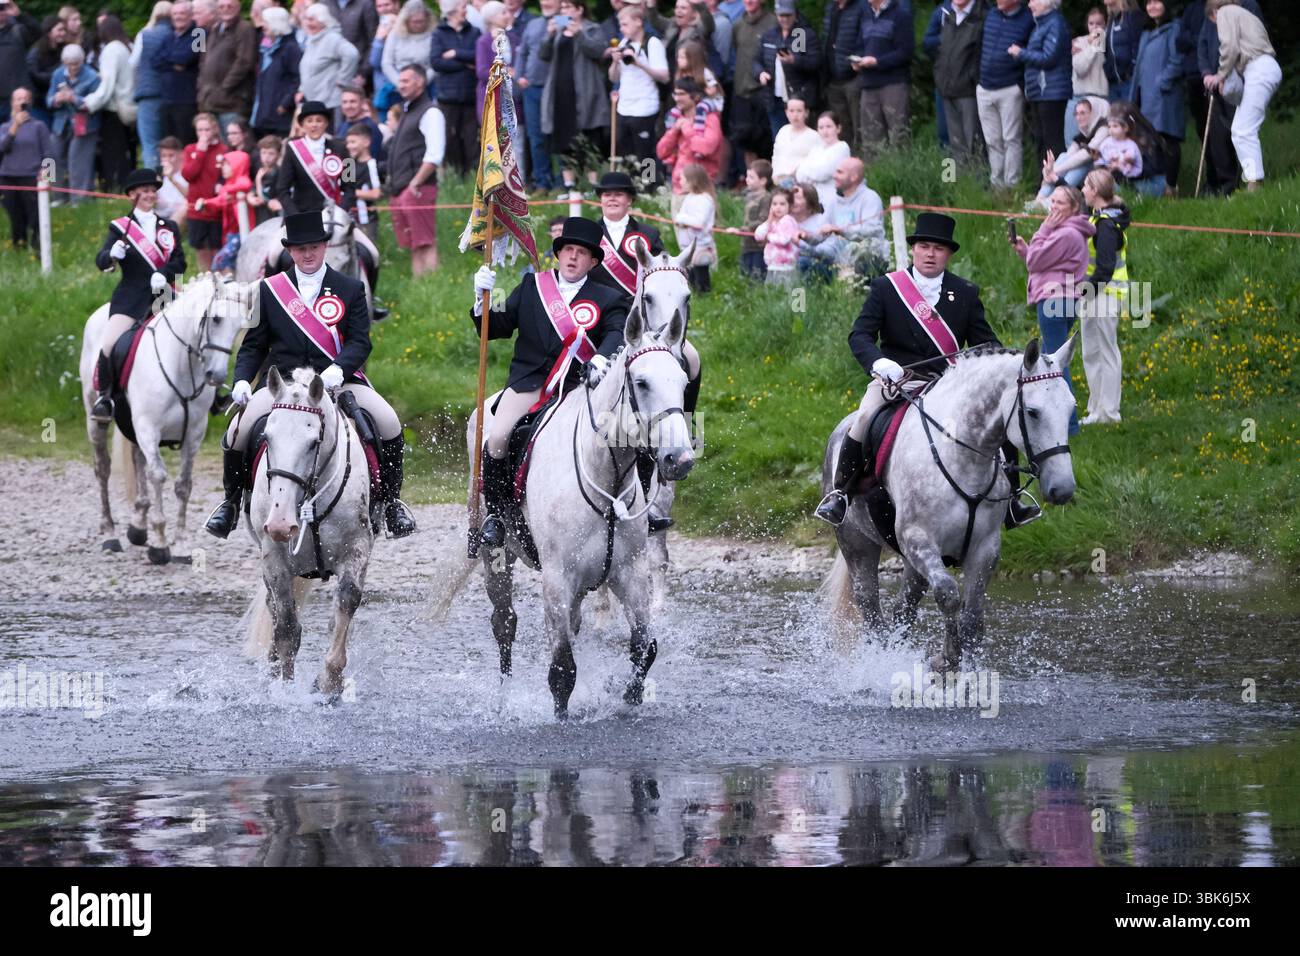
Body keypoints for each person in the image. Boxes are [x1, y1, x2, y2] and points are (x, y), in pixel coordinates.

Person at [816, 213, 1039, 528]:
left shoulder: (965, 292)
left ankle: (1014, 500)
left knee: (997, 416)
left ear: (948, 254)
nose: (930, 254)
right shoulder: (887, 287)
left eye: (938, 248)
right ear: (914, 250)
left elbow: (985, 343)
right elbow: (860, 335)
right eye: (924, 246)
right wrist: (881, 364)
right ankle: (840, 493)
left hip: (948, 385)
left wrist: (1007, 362)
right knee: (865, 416)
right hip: (897, 382)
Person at [205, 210, 418, 540]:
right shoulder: (269, 290)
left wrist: (339, 369)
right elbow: (252, 346)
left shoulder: (350, 288)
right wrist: (243, 380)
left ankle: (392, 504)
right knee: (238, 430)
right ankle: (230, 503)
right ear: (290, 251)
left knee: (388, 422)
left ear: (325, 247)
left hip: (337, 380)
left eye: (314, 248)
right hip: (283, 386)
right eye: (300, 249)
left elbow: (361, 341)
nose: (308, 255)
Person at [467, 216, 628, 548]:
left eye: (581, 253)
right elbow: (496, 327)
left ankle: (634, 507)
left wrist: (601, 357)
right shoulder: (532, 286)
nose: (572, 257)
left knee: (626, 435)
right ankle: (498, 514)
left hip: (579, 388)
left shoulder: (609, 298)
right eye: (567, 250)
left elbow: (617, 333)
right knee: (497, 436)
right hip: (530, 383)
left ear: (593, 261)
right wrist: (482, 298)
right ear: (558, 253)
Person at [89, 168, 187, 423]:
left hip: (164, 294)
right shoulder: (120, 228)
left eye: (153, 191)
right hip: (131, 297)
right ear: (132, 195)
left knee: (192, 337)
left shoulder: (170, 227)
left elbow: (180, 262)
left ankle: (203, 395)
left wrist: (164, 273)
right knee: (109, 343)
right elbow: (101, 261)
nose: (149, 195)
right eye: (144, 191)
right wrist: (113, 254)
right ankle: (105, 396)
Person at [1010, 184, 1092, 435]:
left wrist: (1043, 229)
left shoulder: (1064, 233)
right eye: (1052, 201)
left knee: (1056, 364)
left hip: (1055, 299)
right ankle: (1052, 417)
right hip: (1064, 299)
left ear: (1074, 208)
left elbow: (1036, 261)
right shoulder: (1069, 232)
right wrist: (1026, 250)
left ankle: (1068, 424)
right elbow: (1040, 263)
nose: (1053, 207)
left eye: (1060, 203)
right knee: (1049, 360)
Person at [1204, 0, 1278, 192]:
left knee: (1244, 130)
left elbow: (1229, 47)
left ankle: (1255, 183)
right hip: (1263, 68)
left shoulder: (1225, 12)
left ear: (1213, 12)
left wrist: (1220, 75)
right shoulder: (1244, 14)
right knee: (1239, 129)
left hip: (1259, 69)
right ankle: (1253, 180)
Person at [1075, 167, 1129, 425]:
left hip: (1104, 294)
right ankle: (1096, 410)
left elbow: (1106, 268)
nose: (1082, 190)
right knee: (1091, 352)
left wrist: (1085, 291)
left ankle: (1109, 412)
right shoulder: (1099, 217)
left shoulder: (1107, 226)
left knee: (1106, 352)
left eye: (1085, 185)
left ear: (1095, 191)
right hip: (1095, 294)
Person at [539, 0, 609, 189]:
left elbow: (598, 51)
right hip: (561, 93)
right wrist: (550, 35)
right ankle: (569, 184)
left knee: (589, 137)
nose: (563, 11)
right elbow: (543, 55)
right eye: (562, 8)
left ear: (580, 10)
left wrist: (579, 33)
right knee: (564, 139)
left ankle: (594, 185)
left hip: (585, 93)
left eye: (568, 7)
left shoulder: (593, 29)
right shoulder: (559, 32)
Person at [386, 63, 445, 276]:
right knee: (415, 245)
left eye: (405, 81)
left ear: (420, 82)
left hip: (418, 188)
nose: (400, 85)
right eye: (400, 81)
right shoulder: (408, 111)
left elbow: (435, 154)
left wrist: (415, 183)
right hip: (404, 189)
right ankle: (420, 291)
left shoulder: (430, 112)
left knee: (425, 242)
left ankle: (433, 291)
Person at [977, 0, 1033, 193]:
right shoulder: (991, 14)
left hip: (1010, 88)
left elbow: (1031, 53)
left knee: (1011, 139)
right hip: (984, 87)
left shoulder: (1028, 19)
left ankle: (1012, 186)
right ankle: (997, 185)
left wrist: (1020, 86)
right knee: (992, 140)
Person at [799, 156, 887, 278]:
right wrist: (803, 236)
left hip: (868, 262)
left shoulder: (870, 198)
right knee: (802, 262)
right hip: (837, 262)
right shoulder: (833, 201)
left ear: (854, 177)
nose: (834, 176)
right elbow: (820, 235)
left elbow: (872, 231)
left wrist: (840, 230)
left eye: (840, 172)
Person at [609, 3, 670, 178]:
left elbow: (664, 76)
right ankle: (632, 184)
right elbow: (614, 78)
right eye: (620, 24)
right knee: (626, 151)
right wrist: (614, 61)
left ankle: (649, 185)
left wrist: (639, 63)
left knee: (646, 152)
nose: (622, 28)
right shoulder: (623, 43)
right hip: (624, 106)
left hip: (645, 106)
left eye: (625, 24)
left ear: (638, 22)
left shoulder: (652, 43)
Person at [925, 0, 985, 172]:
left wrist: (971, 78)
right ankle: (949, 181)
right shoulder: (945, 13)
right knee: (946, 139)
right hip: (944, 87)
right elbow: (928, 43)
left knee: (973, 141)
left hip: (968, 90)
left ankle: (974, 186)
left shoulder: (982, 15)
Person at [1130, 0, 1183, 195]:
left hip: (1164, 96)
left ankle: (1171, 185)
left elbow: (1177, 60)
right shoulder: (1146, 32)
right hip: (1147, 96)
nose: (1152, 6)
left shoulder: (1174, 28)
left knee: (1168, 139)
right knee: (1152, 141)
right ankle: (1159, 187)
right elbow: (1139, 68)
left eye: (1157, 2)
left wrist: (1163, 82)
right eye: (1149, 3)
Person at [1010, 0, 1071, 168]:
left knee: (1052, 141)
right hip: (1040, 92)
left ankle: (1058, 186)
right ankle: (1042, 185)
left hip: (1052, 92)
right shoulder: (1041, 24)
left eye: (1033, 1)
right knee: (1040, 139)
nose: (1029, 5)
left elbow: (1049, 58)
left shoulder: (1055, 24)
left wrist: (1021, 53)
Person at [587, 169, 664, 297]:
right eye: (606, 195)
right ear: (600, 200)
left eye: (618, 194)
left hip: (636, 306)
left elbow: (660, 274)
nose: (612, 199)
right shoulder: (588, 233)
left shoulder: (649, 234)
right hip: (597, 307)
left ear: (629, 200)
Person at [852, 0, 913, 159]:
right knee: (870, 137)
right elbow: (860, 45)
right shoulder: (865, 15)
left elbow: (905, 52)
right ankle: (874, 178)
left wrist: (878, 62)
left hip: (893, 84)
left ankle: (900, 178)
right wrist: (857, 60)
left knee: (898, 135)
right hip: (868, 83)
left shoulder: (900, 15)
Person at [754, 0, 820, 141]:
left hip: (797, 98)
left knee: (801, 140)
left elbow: (814, 64)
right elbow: (756, 61)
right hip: (774, 98)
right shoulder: (770, 34)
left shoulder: (800, 34)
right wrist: (760, 73)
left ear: (795, 15)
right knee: (779, 140)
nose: (784, 19)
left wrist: (794, 60)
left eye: (788, 15)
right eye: (781, 15)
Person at [656, 77, 721, 216]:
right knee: (681, 236)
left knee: (700, 237)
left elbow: (706, 148)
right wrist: (674, 131)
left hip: (701, 189)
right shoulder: (675, 119)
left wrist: (687, 129)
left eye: (681, 94)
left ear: (696, 96)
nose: (677, 98)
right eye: (675, 94)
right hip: (679, 187)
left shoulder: (710, 118)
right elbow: (661, 152)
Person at [430, 0, 480, 177]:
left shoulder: (474, 32)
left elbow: (478, 57)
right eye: (462, 7)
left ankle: (473, 176)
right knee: (450, 138)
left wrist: (456, 54)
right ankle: (455, 176)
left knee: (471, 138)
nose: (466, 10)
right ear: (452, 11)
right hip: (447, 96)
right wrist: (465, 65)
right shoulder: (438, 34)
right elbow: (436, 62)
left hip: (470, 95)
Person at [46, 43, 99, 206]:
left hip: (84, 123)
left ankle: (79, 199)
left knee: (78, 160)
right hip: (60, 122)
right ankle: (56, 196)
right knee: (50, 157)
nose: (72, 67)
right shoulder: (57, 74)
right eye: (68, 64)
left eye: (76, 63)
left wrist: (74, 98)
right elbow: (48, 99)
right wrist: (56, 99)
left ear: (82, 61)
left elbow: (96, 103)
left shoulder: (92, 76)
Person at [0, 87, 53, 248]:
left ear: (29, 102)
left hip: (31, 177)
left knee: (35, 216)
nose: (22, 101)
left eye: (25, 98)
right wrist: (15, 125)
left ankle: (38, 246)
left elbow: (49, 153)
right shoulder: (4, 127)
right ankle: (19, 246)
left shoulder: (39, 126)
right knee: (15, 216)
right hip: (8, 177)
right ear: (12, 103)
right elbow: (3, 147)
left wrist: (48, 178)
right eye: (18, 98)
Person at [730, 0, 777, 169]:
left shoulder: (773, 22)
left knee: (766, 140)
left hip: (764, 90)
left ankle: (769, 179)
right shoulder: (737, 25)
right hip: (742, 91)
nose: (749, 1)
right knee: (745, 141)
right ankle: (751, 180)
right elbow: (736, 49)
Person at [297, 2, 360, 126]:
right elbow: (308, 68)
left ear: (323, 20)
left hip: (330, 102)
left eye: (312, 20)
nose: (308, 24)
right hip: (314, 100)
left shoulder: (332, 38)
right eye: (306, 19)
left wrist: (343, 79)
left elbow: (352, 54)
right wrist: (302, 89)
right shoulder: (313, 39)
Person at [198, 0, 257, 130]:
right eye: (222, 6)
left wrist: (224, 88)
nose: (226, 9)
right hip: (210, 101)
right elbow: (202, 60)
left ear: (238, 8)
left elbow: (244, 62)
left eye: (230, 6)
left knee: (233, 143)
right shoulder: (212, 30)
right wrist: (202, 89)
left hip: (233, 102)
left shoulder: (244, 28)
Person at [518, 0, 558, 191]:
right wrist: (520, 75)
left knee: (558, 135)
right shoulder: (533, 23)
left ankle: (562, 182)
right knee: (536, 136)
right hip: (532, 87)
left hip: (556, 88)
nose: (546, 2)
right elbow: (522, 52)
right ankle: (542, 181)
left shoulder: (566, 22)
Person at [181, 111, 227, 270]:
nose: (203, 134)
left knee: (217, 249)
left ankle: (219, 284)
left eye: (206, 130)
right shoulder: (190, 149)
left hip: (216, 210)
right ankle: (204, 283)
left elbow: (227, 176)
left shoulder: (223, 150)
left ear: (214, 129)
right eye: (200, 130)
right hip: (196, 210)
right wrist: (200, 152)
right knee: (201, 249)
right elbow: (188, 175)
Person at [131, 2, 172, 170]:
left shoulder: (145, 34)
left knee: (150, 144)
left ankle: (152, 184)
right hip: (171, 94)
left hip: (148, 93)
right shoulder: (177, 34)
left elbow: (133, 63)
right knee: (170, 141)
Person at [153, 0, 200, 143]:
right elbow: (155, 62)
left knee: (185, 144)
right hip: (167, 100)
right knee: (167, 145)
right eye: (175, 13)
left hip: (188, 101)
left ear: (191, 15)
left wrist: (171, 59)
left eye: (182, 13)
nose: (178, 17)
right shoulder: (169, 36)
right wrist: (175, 62)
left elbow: (188, 58)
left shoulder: (200, 34)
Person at [251, 6, 301, 139]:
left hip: (280, 114)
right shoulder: (265, 46)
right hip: (263, 111)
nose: (262, 26)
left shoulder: (291, 48)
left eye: (265, 22)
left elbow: (297, 79)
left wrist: (285, 103)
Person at [202, 149, 254, 275]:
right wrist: (206, 203)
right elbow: (219, 201)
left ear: (237, 166)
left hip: (241, 234)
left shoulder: (240, 181)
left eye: (226, 165)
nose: (223, 169)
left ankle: (229, 288)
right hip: (231, 234)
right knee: (230, 264)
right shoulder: (228, 185)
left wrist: (227, 190)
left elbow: (245, 184)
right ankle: (231, 288)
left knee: (220, 260)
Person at [821, 0, 864, 153]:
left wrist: (858, 59)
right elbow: (826, 39)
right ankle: (843, 163)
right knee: (841, 128)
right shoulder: (830, 8)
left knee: (860, 125)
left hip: (854, 77)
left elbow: (865, 40)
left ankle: (863, 166)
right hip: (832, 79)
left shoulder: (861, 7)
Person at [793, 110, 849, 212]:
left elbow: (823, 173)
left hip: (830, 200)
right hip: (812, 199)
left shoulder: (842, 148)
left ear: (838, 128)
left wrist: (809, 172)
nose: (825, 131)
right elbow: (799, 174)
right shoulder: (816, 150)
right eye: (821, 127)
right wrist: (811, 172)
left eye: (829, 126)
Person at [1067, 5, 1107, 142]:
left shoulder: (1107, 40)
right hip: (1079, 97)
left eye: (1099, 23)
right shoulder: (1080, 41)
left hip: (1100, 97)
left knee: (1098, 144)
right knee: (1074, 142)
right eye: (1091, 23)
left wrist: (1097, 41)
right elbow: (1080, 68)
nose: (1095, 27)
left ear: (1105, 24)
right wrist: (1091, 46)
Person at [673, 163, 716, 293]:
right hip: (688, 246)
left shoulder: (704, 199)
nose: (680, 181)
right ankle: (693, 297)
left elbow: (699, 222)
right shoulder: (690, 197)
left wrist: (681, 219)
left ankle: (704, 298)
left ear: (693, 181)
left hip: (701, 247)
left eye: (682, 179)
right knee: (690, 276)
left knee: (701, 277)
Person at [380, 0, 434, 93]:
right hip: (397, 84)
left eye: (421, 21)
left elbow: (434, 64)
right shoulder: (395, 34)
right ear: (406, 21)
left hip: (425, 85)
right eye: (415, 22)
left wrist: (422, 83)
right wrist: (402, 84)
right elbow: (387, 63)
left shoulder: (433, 35)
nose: (419, 25)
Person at [342, 124, 382, 241]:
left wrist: (351, 192)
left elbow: (375, 194)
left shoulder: (371, 164)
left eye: (353, 142)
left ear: (366, 142)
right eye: (348, 143)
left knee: (366, 254)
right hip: (346, 219)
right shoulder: (348, 163)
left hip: (366, 221)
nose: (349, 146)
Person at [26, 16, 67, 127]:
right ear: (49, 32)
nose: (63, 33)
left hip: (58, 103)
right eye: (59, 30)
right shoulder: (36, 51)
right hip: (39, 104)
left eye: (64, 30)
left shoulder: (63, 49)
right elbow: (35, 75)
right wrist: (58, 75)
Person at [475, 1, 513, 121]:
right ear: (492, 18)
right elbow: (482, 72)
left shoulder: (513, 38)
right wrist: (504, 72)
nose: (508, 15)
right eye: (504, 13)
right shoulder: (484, 41)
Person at [769, 96, 818, 187]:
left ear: (806, 113)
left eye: (799, 111)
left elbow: (813, 162)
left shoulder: (813, 136)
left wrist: (794, 175)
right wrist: (774, 175)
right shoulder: (783, 131)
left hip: (801, 182)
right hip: (778, 180)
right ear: (786, 112)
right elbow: (776, 156)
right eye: (791, 111)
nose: (795, 115)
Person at [1103, 0, 1146, 103]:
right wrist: (1081, 44)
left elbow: (1139, 47)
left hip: (1129, 82)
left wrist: (1131, 72)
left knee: (1129, 117)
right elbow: (1100, 52)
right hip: (1112, 84)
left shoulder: (1132, 16)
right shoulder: (1110, 20)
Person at [754, 185, 797, 285]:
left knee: (784, 293)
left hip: (785, 267)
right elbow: (758, 235)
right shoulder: (772, 222)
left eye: (782, 204)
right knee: (771, 293)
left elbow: (784, 239)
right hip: (772, 265)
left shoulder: (788, 221)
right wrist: (769, 220)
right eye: (774, 204)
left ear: (789, 206)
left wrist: (768, 237)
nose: (778, 207)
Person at [737, 157, 770, 279]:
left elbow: (763, 220)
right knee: (745, 273)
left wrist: (744, 229)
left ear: (762, 181)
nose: (747, 180)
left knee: (757, 276)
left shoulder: (766, 198)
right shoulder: (749, 196)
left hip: (759, 246)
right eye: (747, 176)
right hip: (746, 243)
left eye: (751, 177)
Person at [337, 85, 383, 159]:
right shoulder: (342, 126)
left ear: (362, 103)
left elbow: (372, 160)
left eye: (353, 101)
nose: (348, 106)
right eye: (344, 102)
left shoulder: (370, 128)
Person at [247, 133, 280, 224]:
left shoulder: (278, 173)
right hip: (261, 215)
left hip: (274, 217)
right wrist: (250, 197)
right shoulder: (261, 171)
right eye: (264, 152)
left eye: (271, 153)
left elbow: (265, 199)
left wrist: (258, 182)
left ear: (278, 155)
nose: (266, 157)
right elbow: (253, 191)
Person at [156, 134, 188, 223]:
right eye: (163, 156)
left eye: (171, 156)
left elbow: (190, 196)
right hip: (160, 213)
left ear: (181, 154)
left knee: (185, 207)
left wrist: (171, 179)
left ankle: (170, 233)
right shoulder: (159, 174)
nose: (167, 159)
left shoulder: (187, 173)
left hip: (179, 215)